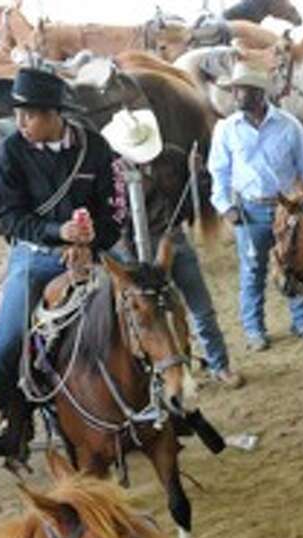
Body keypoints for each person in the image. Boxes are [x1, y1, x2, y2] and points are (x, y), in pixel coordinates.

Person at [0, 66, 121, 463]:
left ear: (53, 114)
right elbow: (10, 217)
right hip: (35, 258)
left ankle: (161, 397)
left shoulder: (95, 148)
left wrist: (92, 244)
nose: (20, 123)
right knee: (8, 342)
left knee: (145, 307)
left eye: (27, 114)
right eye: (17, 114)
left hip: (94, 255)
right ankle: (14, 422)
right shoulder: (9, 152)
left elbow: (114, 211)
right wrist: (57, 232)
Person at [104, 109, 242, 389]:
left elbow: (198, 194)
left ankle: (220, 364)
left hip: (173, 238)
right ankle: (162, 372)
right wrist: (131, 261)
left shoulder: (173, 157)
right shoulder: (111, 173)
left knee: (200, 306)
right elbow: (112, 218)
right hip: (133, 249)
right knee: (148, 314)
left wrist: (198, 173)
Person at [209, 65, 303, 353]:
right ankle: (254, 329)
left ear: (259, 93)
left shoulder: (289, 125)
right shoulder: (226, 130)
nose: (235, 94)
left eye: (241, 89)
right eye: (233, 89)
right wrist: (225, 207)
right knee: (253, 270)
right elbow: (218, 172)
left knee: (296, 265)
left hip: (286, 209)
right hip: (249, 211)